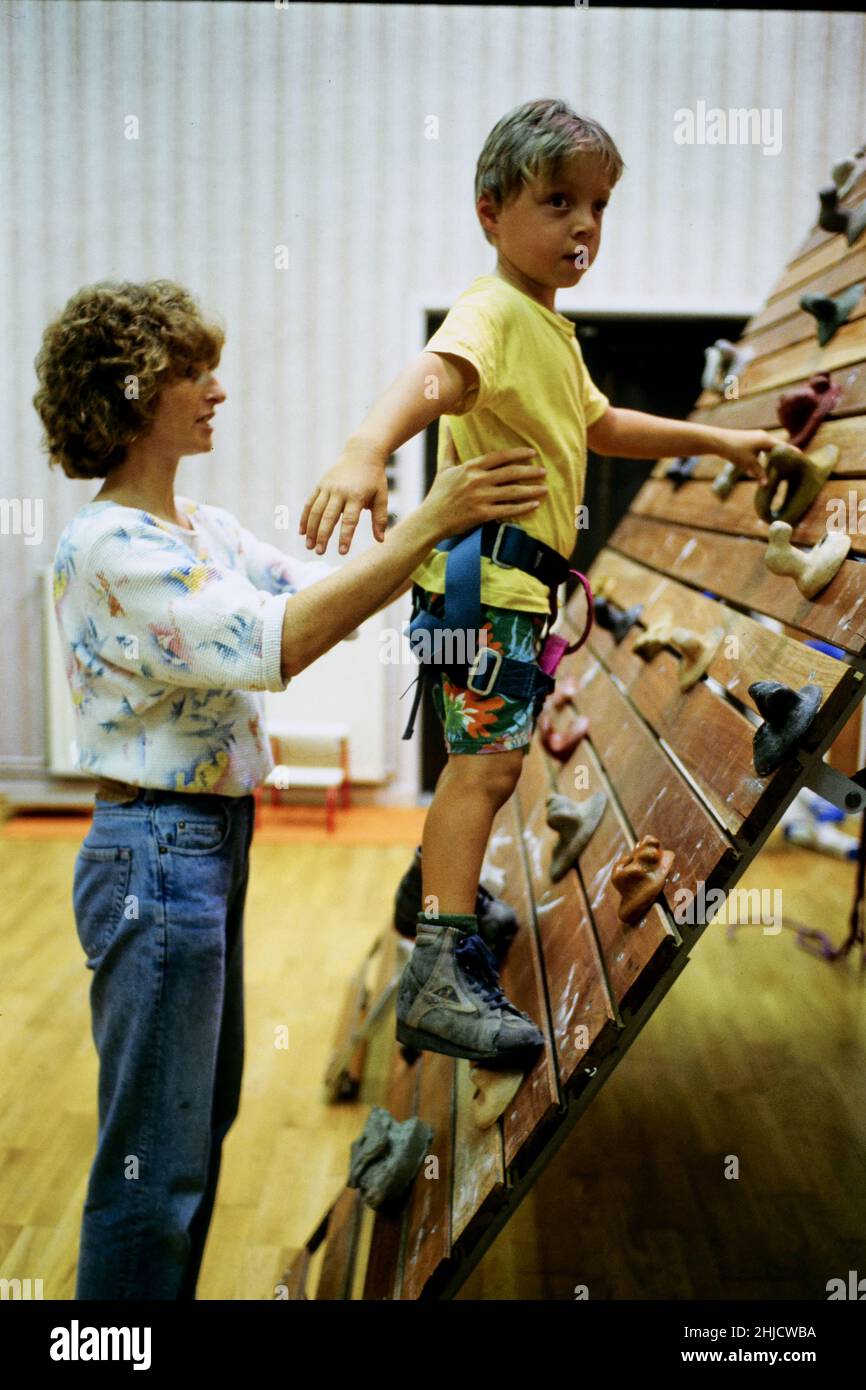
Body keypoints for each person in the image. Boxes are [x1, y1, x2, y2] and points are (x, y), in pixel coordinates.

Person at [35, 278, 548, 1299]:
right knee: (154, 1157)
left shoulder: (202, 529)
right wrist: (425, 525)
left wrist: (428, 528)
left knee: (195, 1122)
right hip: (154, 852)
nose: (218, 390)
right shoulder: (110, 548)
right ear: (135, 393)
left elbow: (321, 599)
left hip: (204, 845)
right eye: (194, 372)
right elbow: (278, 643)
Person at [296, 97, 782, 1067]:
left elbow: (601, 426)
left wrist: (721, 437)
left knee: (485, 764)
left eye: (597, 205)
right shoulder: (491, 314)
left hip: (507, 589)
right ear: (489, 210)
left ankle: (438, 895)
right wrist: (361, 450)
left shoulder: (546, 334)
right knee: (481, 767)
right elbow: (431, 376)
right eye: (557, 201)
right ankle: (437, 964)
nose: (583, 226)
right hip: (484, 586)